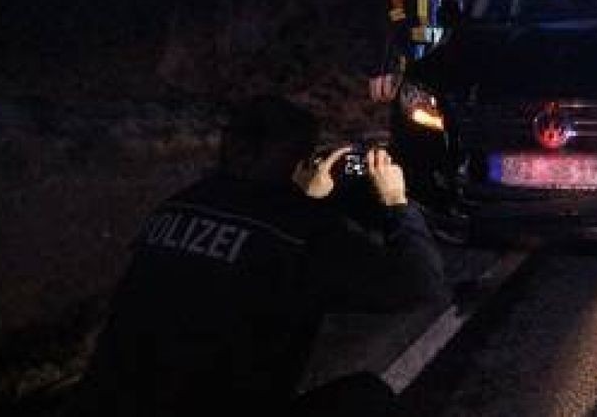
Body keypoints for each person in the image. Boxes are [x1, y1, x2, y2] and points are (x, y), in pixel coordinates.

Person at [71, 95, 448, 417]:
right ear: (279, 155)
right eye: (301, 156)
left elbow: (244, 246)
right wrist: (397, 203)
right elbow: (422, 285)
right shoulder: (299, 231)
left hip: (105, 403)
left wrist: (304, 199)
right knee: (366, 398)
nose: (304, 166)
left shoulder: (179, 204)